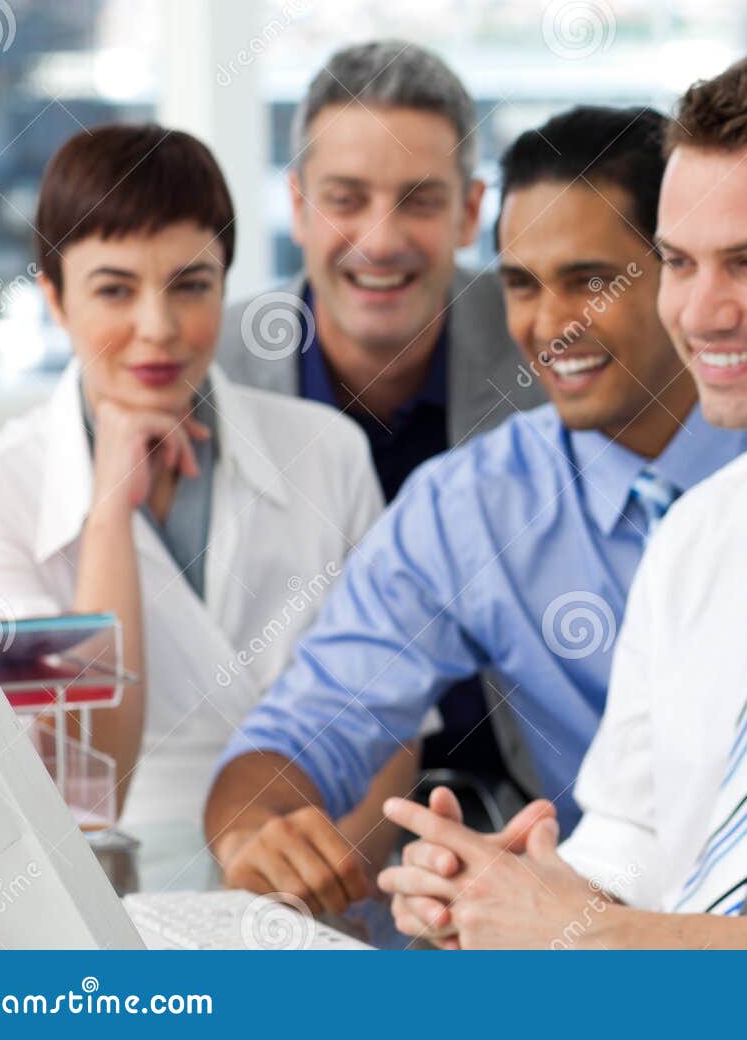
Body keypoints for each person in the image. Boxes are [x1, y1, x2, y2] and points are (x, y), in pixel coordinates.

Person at [378, 48, 747, 949]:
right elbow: (635, 835)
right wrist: (513, 886)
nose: (701, 311)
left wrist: (592, 936)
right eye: (679, 263)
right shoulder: (699, 533)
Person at [205, 106, 747, 915]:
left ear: (678, 272)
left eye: (591, 282)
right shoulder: (474, 505)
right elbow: (312, 721)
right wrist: (253, 827)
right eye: (522, 284)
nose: (549, 326)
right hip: (591, 947)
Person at [0, 126, 409, 868]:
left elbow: (393, 719)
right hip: (110, 891)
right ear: (54, 298)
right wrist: (108, 513)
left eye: (191, 285)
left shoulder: (328, 452)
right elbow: (85, 786)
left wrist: (326, 888)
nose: (158, 329)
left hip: (315, 882)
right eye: (114, 290)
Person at [216, 40, 547, 814]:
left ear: (471, 211)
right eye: (346, 198)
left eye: (420, 200)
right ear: (296, 205)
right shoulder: (212, 370)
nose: (380, 239)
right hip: (293, 812)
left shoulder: (549, 350)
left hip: (527, 811)